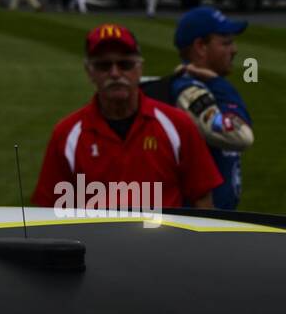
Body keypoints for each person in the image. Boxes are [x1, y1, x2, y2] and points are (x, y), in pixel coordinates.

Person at [31, 24, 221, 211]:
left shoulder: (177, 125)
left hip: (162, 242)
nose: (115, 73)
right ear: (90, 72)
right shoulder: (67, 134)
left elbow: (203, 201)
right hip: (96, 242)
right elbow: (49, 212)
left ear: (140, 68)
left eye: (125, 64)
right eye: (104, 65)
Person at [167, 7, 254, 211]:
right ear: (200, 47)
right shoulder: (188, 91)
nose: (234, 50)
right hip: (199, 227)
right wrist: (220, 85)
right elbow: (240, 136)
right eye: (226, 42)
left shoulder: (205, 88)